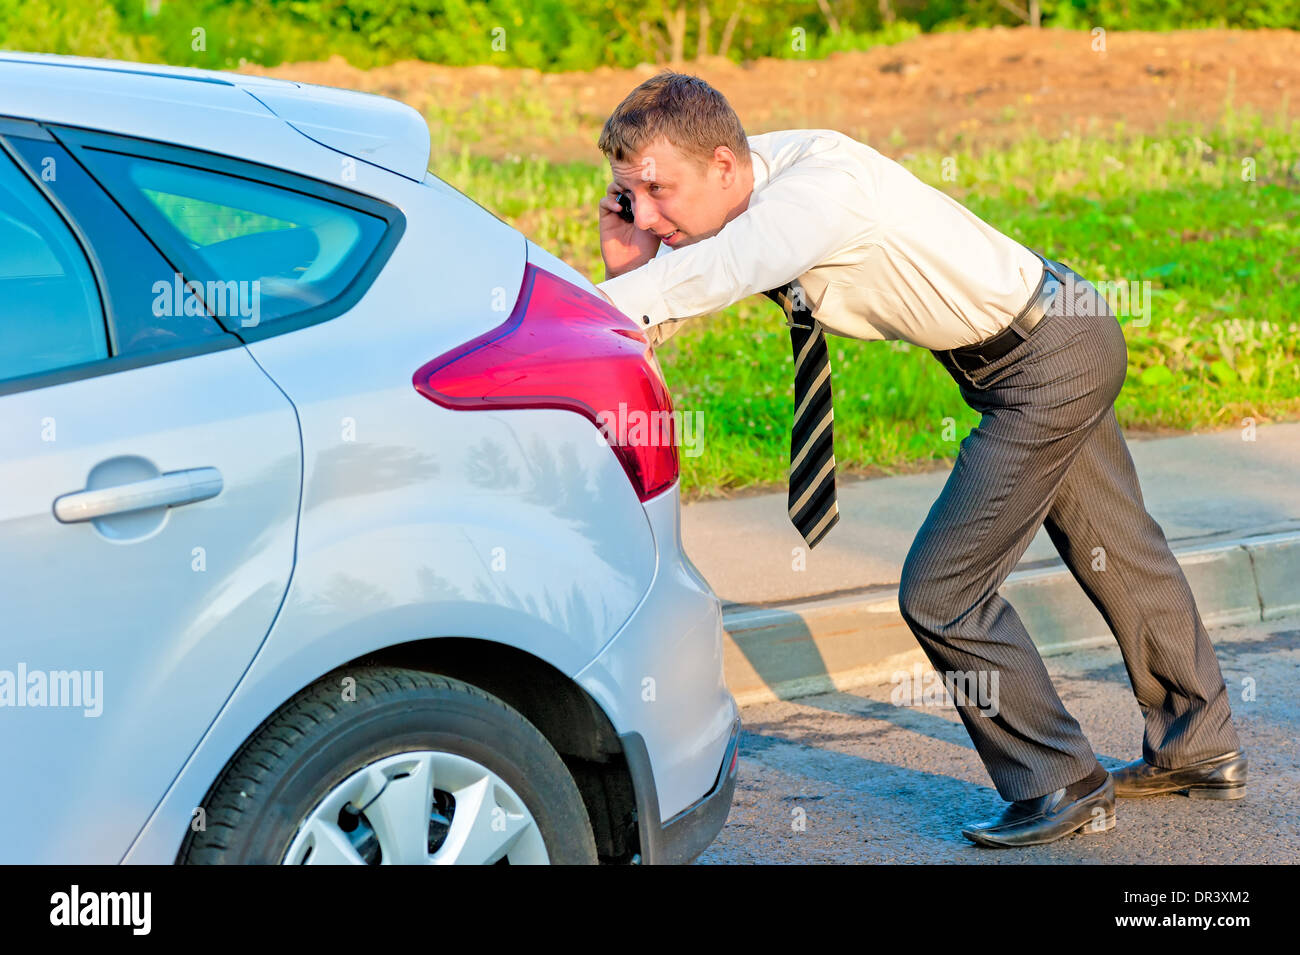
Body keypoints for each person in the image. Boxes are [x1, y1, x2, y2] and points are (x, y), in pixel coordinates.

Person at [590, 70, 1247, 848]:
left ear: (725, 163)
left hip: (1046, 360)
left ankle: (1063, 781)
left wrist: (603, 296)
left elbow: (714, 275)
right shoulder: (745, 183)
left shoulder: (812, 196)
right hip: (1047, 340)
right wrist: (633, 266)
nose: (651, 214)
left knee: (942, 589)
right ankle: (1199, 745)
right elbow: (681, 286)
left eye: (660, 191)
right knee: (1120, 549)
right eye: (633, 196)